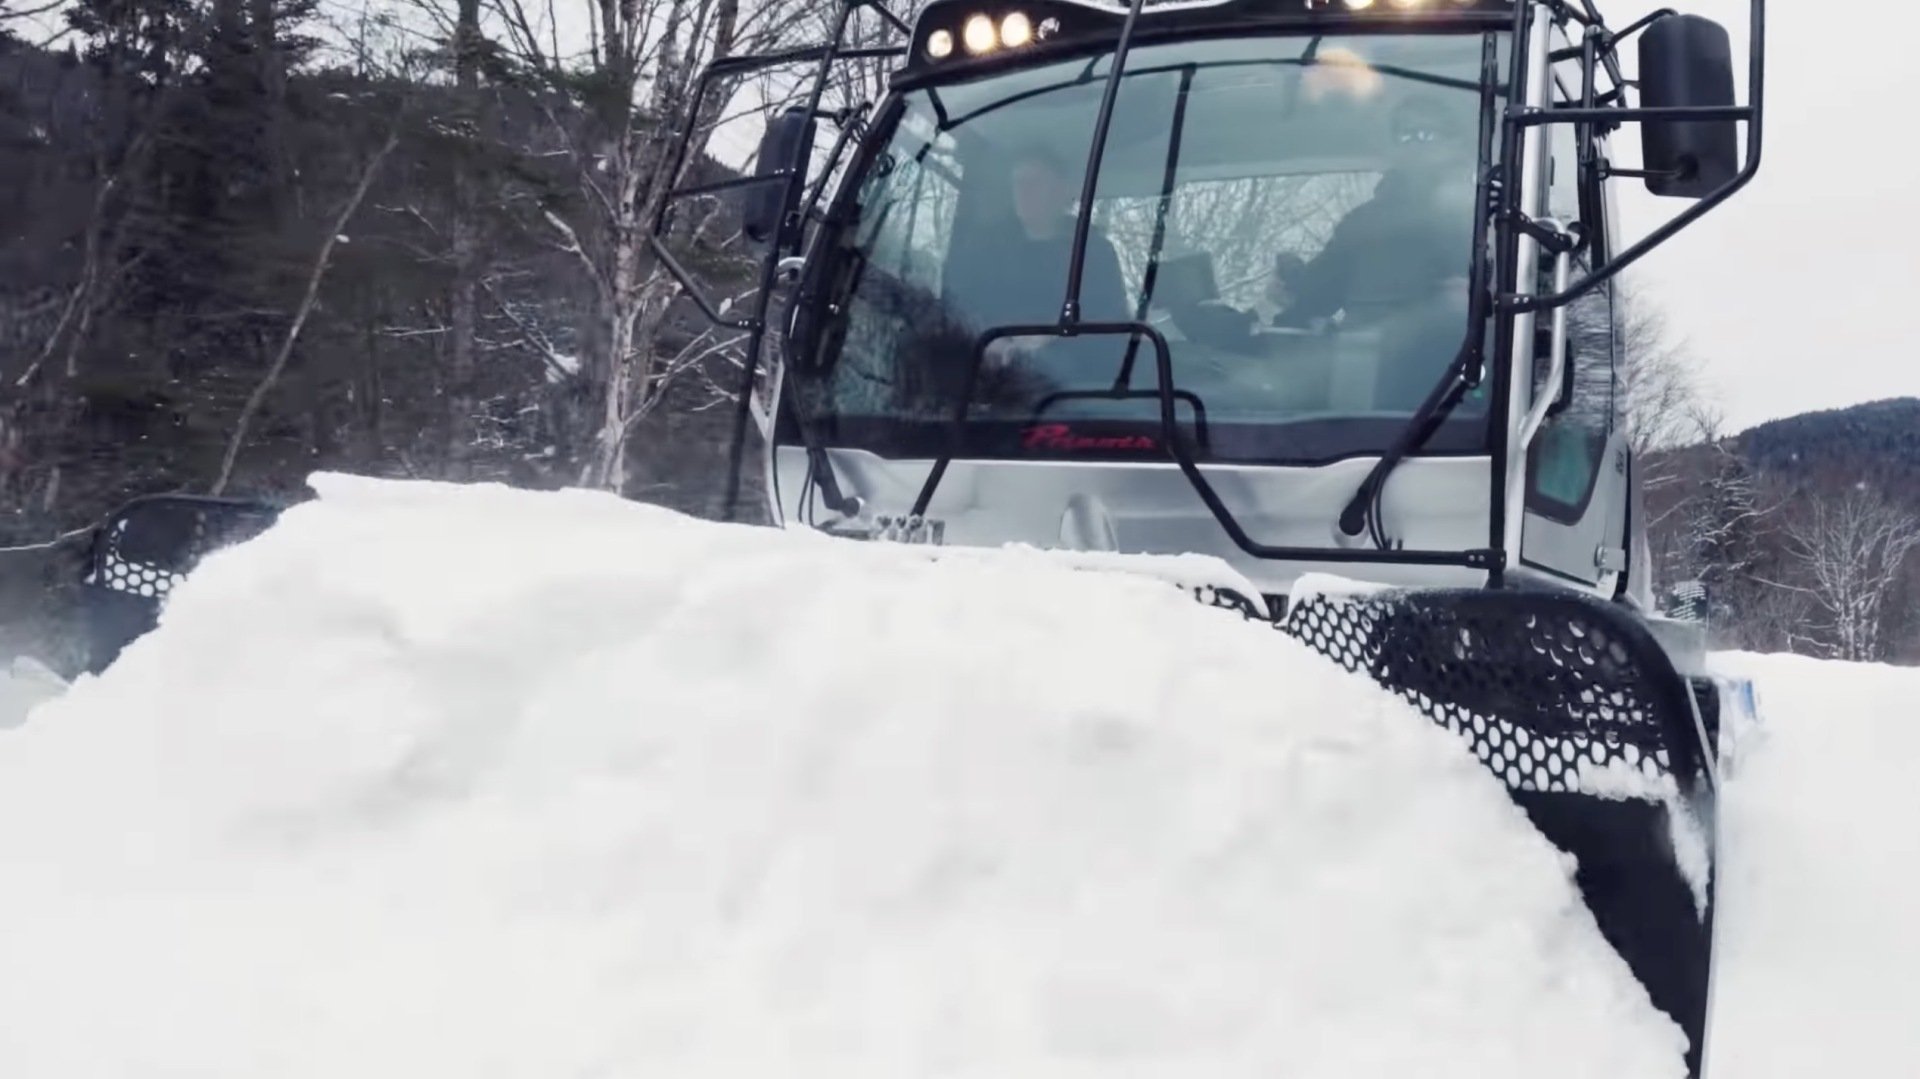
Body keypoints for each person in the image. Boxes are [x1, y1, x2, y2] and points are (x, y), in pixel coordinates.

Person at [1272, 94, 1478, 332]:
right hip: (1377, 363)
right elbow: (1313, 300)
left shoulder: (1493, 219)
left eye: (1425, 135)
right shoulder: (1363, 226)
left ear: (1456, 144)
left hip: (1476, 362)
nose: (1412, 144)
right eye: (1403, 136)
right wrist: (1292, 285)